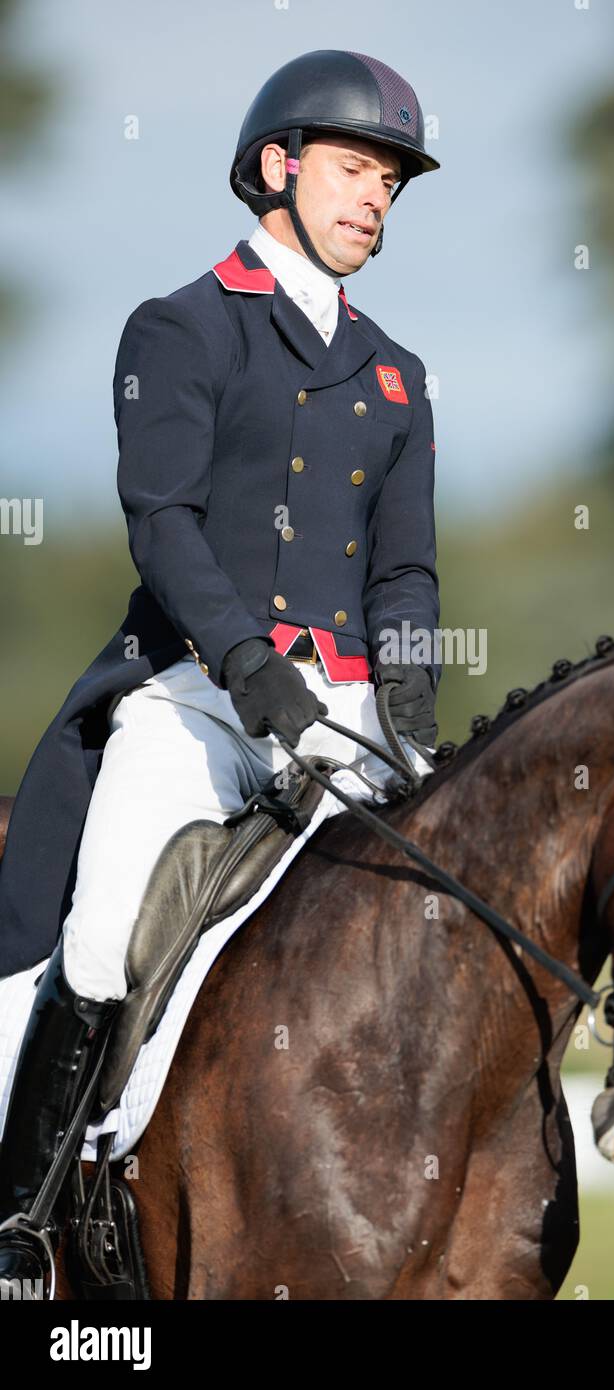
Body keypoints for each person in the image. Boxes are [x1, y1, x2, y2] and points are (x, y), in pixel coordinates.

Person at [0, 48, 441, 1293]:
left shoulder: (399, 372)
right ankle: (22, 1232)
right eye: (356, 169)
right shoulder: (181, 328)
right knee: (97, 943)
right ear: (275, 166)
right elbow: (163, 523)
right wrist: (255, 672)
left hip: (348, 715)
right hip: (198, 697)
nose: (376, 200)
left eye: (392, 184)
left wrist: (401, 702)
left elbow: (404, 574)